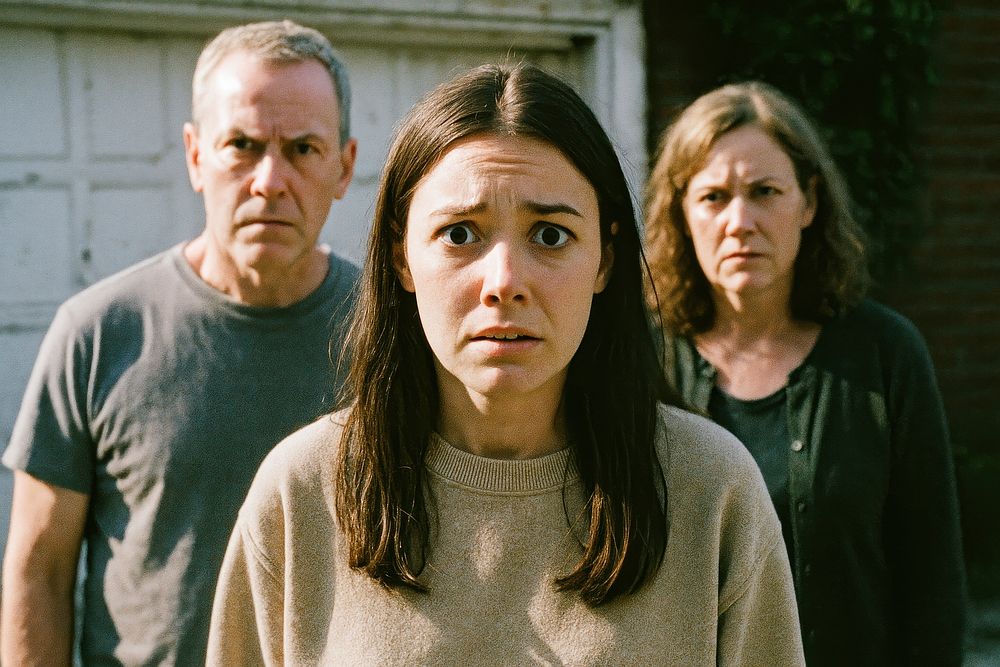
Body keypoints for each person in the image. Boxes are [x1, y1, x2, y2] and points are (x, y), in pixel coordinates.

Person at [206, 63, 804, 665]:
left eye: (549, 235)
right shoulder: (304, 491)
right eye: (460, 234)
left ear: (604, 260)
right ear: (401, 256)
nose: (505, 282)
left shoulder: (710, 490)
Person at [1, 20, 359, 665]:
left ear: (344, 166)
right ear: (196, 157)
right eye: (242, 145)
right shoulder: (97, 332)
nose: (270, 180)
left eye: (304, 149)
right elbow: (38, 571)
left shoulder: (392, 335)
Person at [644, 80, 967, 665]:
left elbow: (931, 575)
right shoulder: (644, 360)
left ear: (809, 203)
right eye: (714, 197)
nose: (740, 220)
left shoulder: (885, 354)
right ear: (681, 212)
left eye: (765, 191)